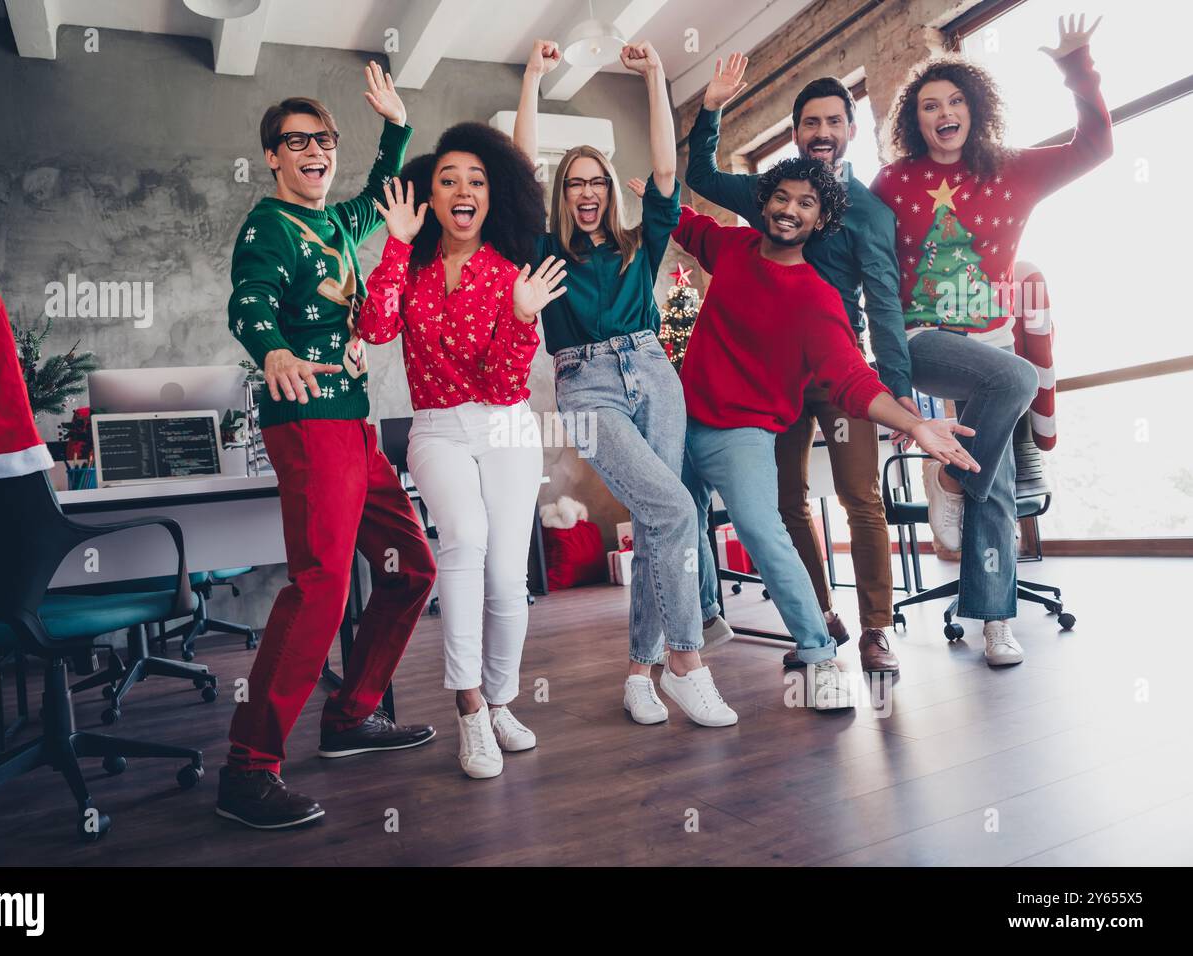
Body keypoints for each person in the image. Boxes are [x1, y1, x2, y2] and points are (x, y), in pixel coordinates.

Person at [671, 157, 980, 709]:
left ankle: (819, 654)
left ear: (820, 221)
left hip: (740, 431)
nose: (790, 210)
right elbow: (680, 218)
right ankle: (698, 627)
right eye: (782, 198)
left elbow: (852, 379)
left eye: (806, 204)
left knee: (766, 532)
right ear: (764, 202)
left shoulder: (814, 296)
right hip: (680, 417)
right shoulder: (733, 249)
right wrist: (649, 184)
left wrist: (914, 422)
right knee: (672, 524)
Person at [218, 63, 438, 830]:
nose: (314, 150)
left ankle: (351, 716)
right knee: (321, 586)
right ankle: (248, 769)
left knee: (412, 565)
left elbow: (386, 183)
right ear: (272, 156)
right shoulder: (268, 227)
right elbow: (248, 301)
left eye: (324, 139)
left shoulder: (340, 224)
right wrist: (272, 350)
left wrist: (396, 125)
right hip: (307, 421)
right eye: (296, 141)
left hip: (355, 427)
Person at [871, 14, 1111, 665]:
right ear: (914, 122)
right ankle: (951, 473)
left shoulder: (1013, 170)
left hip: (995, 348)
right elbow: (869, 274)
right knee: (1018, 380)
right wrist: (890, 384)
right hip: (924, 341)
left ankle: (994, 621)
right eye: (928, 106)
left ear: (975, 109)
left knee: (997, 479)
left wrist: (1076, 63)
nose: (943, 113)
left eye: (953, 101)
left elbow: (1094, 146)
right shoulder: (892, 185)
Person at [513, 39, 736, 728]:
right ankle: (686, 662)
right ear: (562, 194)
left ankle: (640, 675)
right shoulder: (544, 250)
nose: (587, 191)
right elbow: (519, 169)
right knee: (674, 511)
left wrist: (657, 75)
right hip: (585, 388)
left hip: (653, 373)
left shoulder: (642, 244)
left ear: (610, 191)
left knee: (657, 520)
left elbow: (667, 168)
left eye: (598, 181)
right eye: (575, 182)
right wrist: (532, 77)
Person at [683, 62, 911, 676]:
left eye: (834, 120)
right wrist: (711, 110)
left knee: (861, 497)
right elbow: (699, 177)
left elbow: (886, 304)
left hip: (840, 376)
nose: (821, 130)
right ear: (795, 130)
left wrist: (903, 396)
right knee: (785, 505)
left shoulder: (868, 213)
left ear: (851, 128)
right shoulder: (772, 193)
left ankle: (875, 630)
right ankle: (819, 617)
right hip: (773, 381)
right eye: (810, 121)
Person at [357, 122, 565, 779]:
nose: (463, 189)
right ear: (431, 196)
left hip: (505, 426)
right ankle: (469, 705)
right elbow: (375, 325)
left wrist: (525, 317)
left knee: (508, 576)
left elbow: (502, 384)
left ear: (492, 194)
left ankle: (501, 699)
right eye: (448, 180)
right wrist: (394, 245)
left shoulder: (510, 273)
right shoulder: (411, 265)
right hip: (438, 430)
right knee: (464, 541)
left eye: (476, 179)